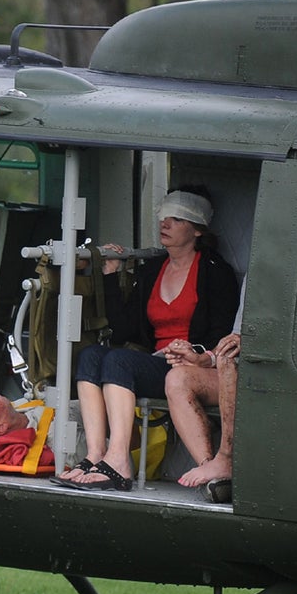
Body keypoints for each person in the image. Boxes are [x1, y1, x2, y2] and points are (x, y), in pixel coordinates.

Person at [57, 187, 239, 491]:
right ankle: (95, 455)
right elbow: (124, 329)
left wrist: (194, 351)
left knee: (118, 361)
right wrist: (111, 274)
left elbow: (223, 333)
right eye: (164, 216)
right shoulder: (153, 269)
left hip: (192, 365)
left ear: (197, 230)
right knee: (90, 355)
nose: (165, 223)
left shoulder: (216, 271)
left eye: (177, 219)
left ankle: (119, 460)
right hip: (157, 361)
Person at [167, 278, 246, 490]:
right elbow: (236, 339)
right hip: (241, 369)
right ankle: (212, 471)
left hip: (277, 370)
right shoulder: (256, 272)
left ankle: (226, 459)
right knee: (178, 378)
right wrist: (202, 359)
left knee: (227, 365)